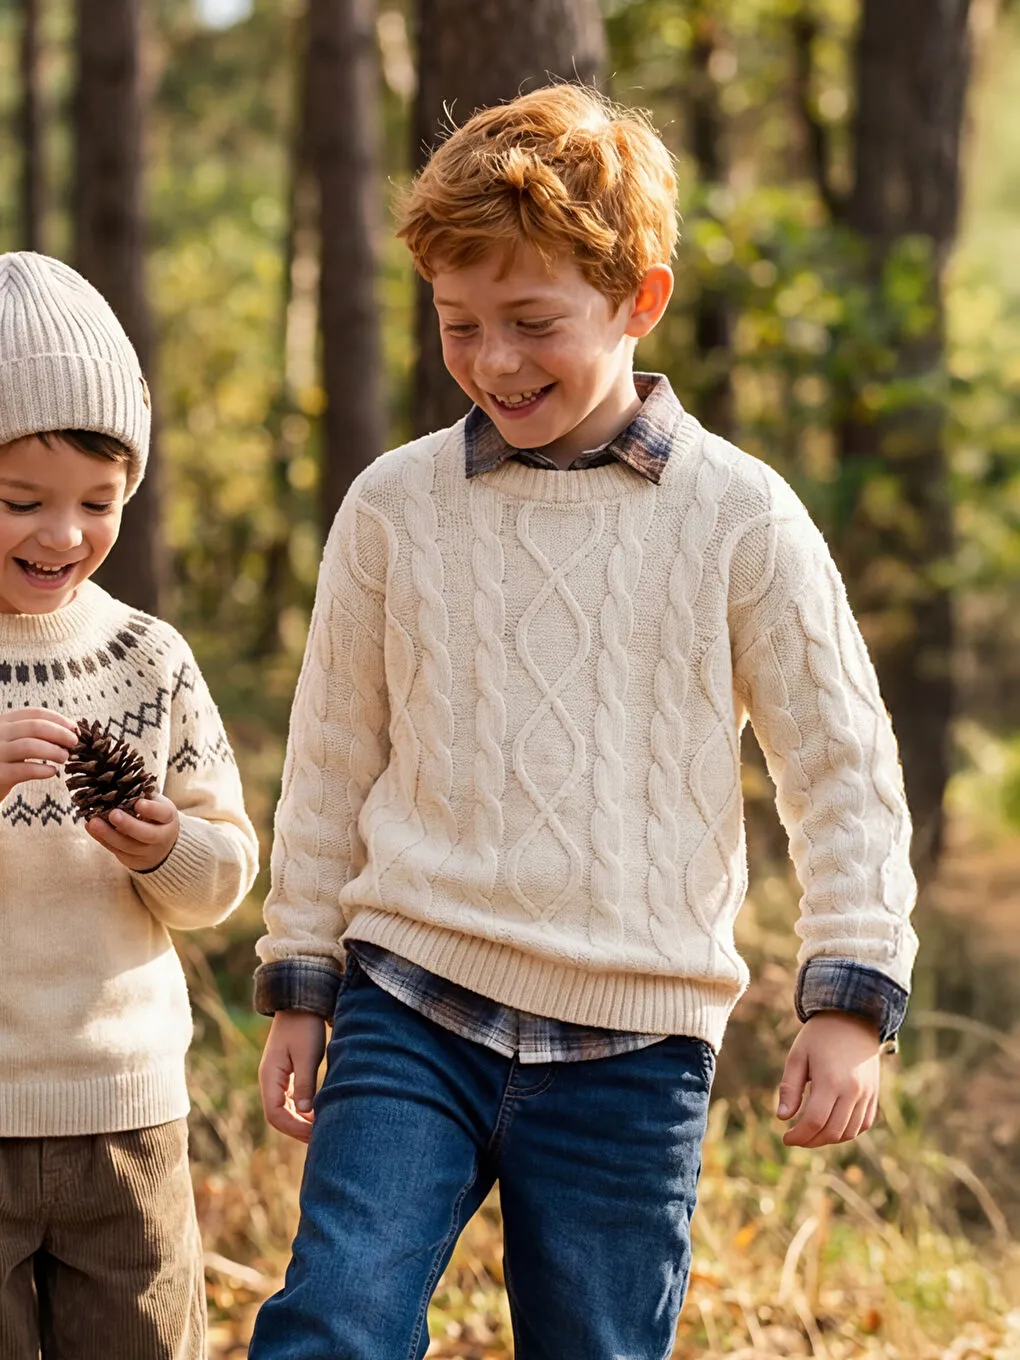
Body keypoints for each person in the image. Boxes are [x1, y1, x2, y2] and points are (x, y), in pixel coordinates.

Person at [250, 84, 916, 1360]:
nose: (495, 361)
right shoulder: (394, 508)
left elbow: (841, 768)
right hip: (412, 999)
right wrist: (300, 978)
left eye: (534, 322)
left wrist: (850, 994)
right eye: (460, 324)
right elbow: (331, 757)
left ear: (638, 299)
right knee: (332, 1323)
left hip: (636, 1041)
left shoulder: (740, 516)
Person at [0, 250, 260, 1359]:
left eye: (97, 502)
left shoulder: (148, 659)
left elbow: (224, 874)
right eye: (20, 501)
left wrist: (169, 851)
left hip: (126, 1111)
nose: (62, 534)